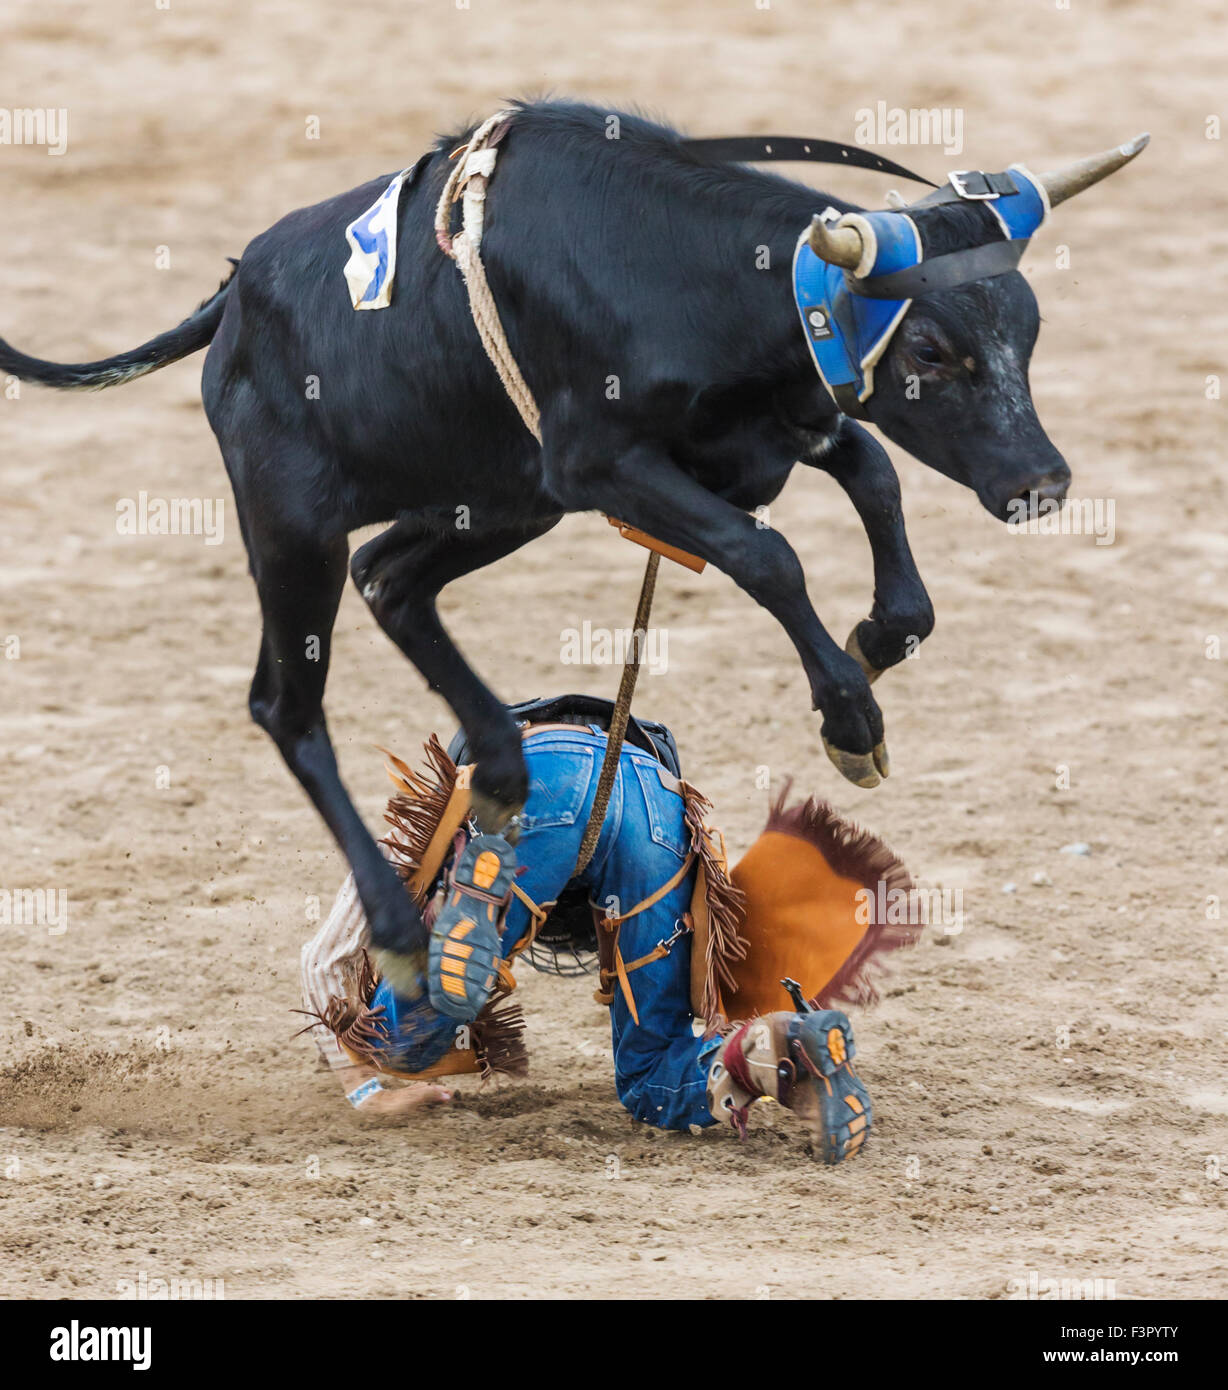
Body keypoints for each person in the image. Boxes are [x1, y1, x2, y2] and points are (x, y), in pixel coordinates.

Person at [299, 695, 917, 1162]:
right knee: (651, 1075)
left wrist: (364, 1083)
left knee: (400, 1037)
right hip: (655, 797)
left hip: (525, 780)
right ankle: (779, 1052)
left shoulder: (436, 821)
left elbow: (323, 960)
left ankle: (471, 907)